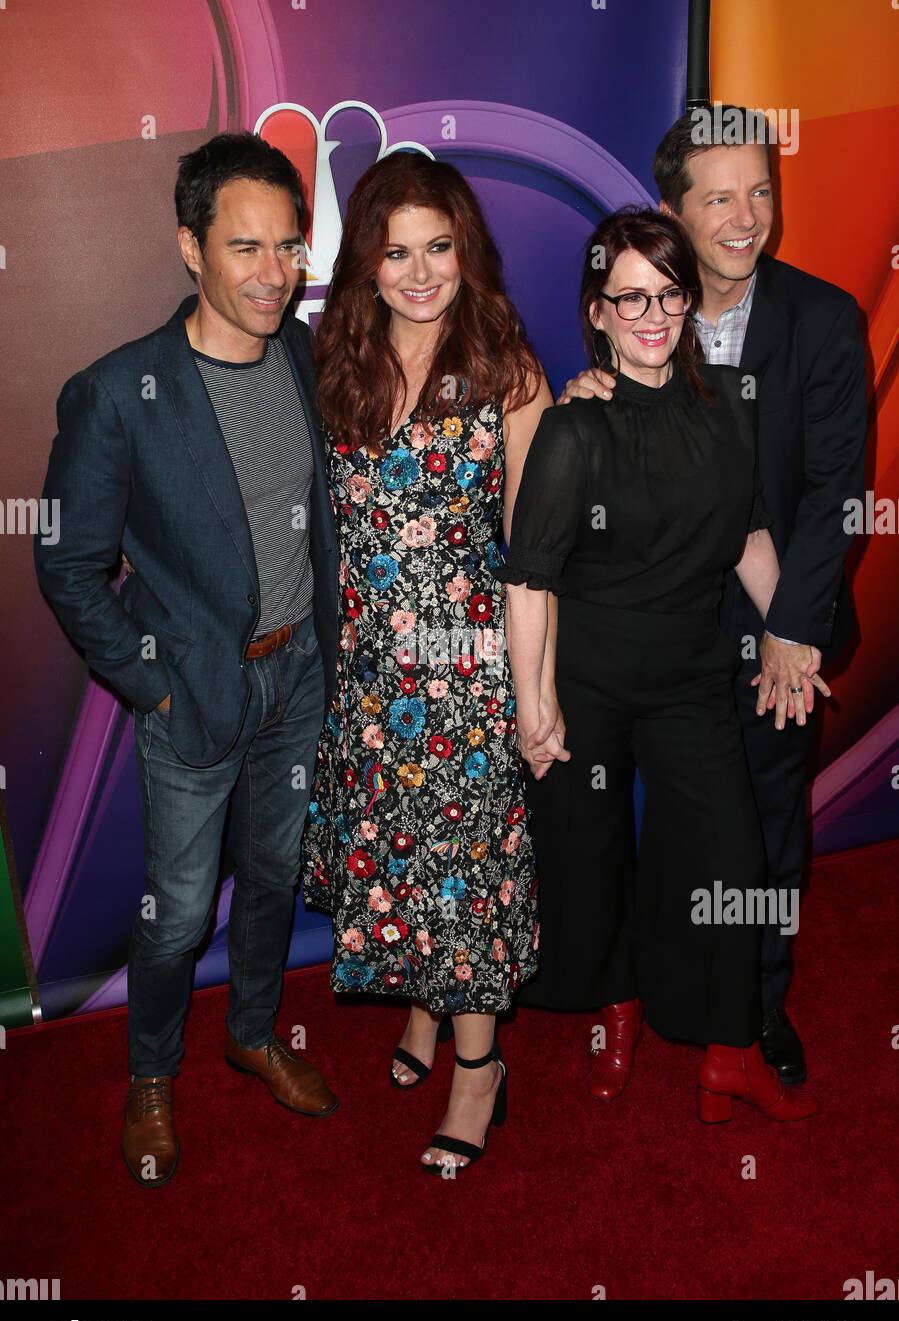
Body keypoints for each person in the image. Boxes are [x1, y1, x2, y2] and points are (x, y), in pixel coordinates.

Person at [34, 132, 340, 1188]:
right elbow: (68, 565)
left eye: (288, 247)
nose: (272, 273)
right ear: (188, 246)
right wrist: (152, 683)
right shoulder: (120, 393)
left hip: (297, 675)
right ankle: (152, 1078)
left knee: (270, 876)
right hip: (193, 692)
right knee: (175, 909)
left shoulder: (300, 351)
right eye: (245, 246)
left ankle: (252, 1032)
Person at [561, 107, 868, 1086]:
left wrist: (791, 634)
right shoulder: (642, 307)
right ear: (670, 208)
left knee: (769, 827)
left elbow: (833, 495)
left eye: (760, 191)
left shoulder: (819, 321)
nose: (745, 218)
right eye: (719, 196)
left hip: (777, 625)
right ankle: (620, 996)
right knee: (612, 824)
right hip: (645, 631)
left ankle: (751, 1009)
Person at [499, 207, 819, 1124]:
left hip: (690, 680)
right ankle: (617, 1012)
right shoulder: (574, 429)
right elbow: (530, 580)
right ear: (595, 311)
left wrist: (793, 631)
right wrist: (534, 706)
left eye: (668, 294)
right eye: (628, 297)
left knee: (729, 861)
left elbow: (751, 533)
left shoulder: (727, 406)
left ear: (688, 300)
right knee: (589, 863)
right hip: (588, 682)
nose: (651, 314)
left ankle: (727, 1050)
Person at [301, 152, 553, 1172]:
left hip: (464, 677)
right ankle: (418, 1014)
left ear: (465, 249)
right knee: (401, 864)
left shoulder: (507, 375)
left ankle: (477, 1070)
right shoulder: (336, 368)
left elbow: (533, 558)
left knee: (463, 880)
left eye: (436, 247)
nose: (417, 271)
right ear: (364, 261)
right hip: (367, 678)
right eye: (394, 250)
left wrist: (532, 697)